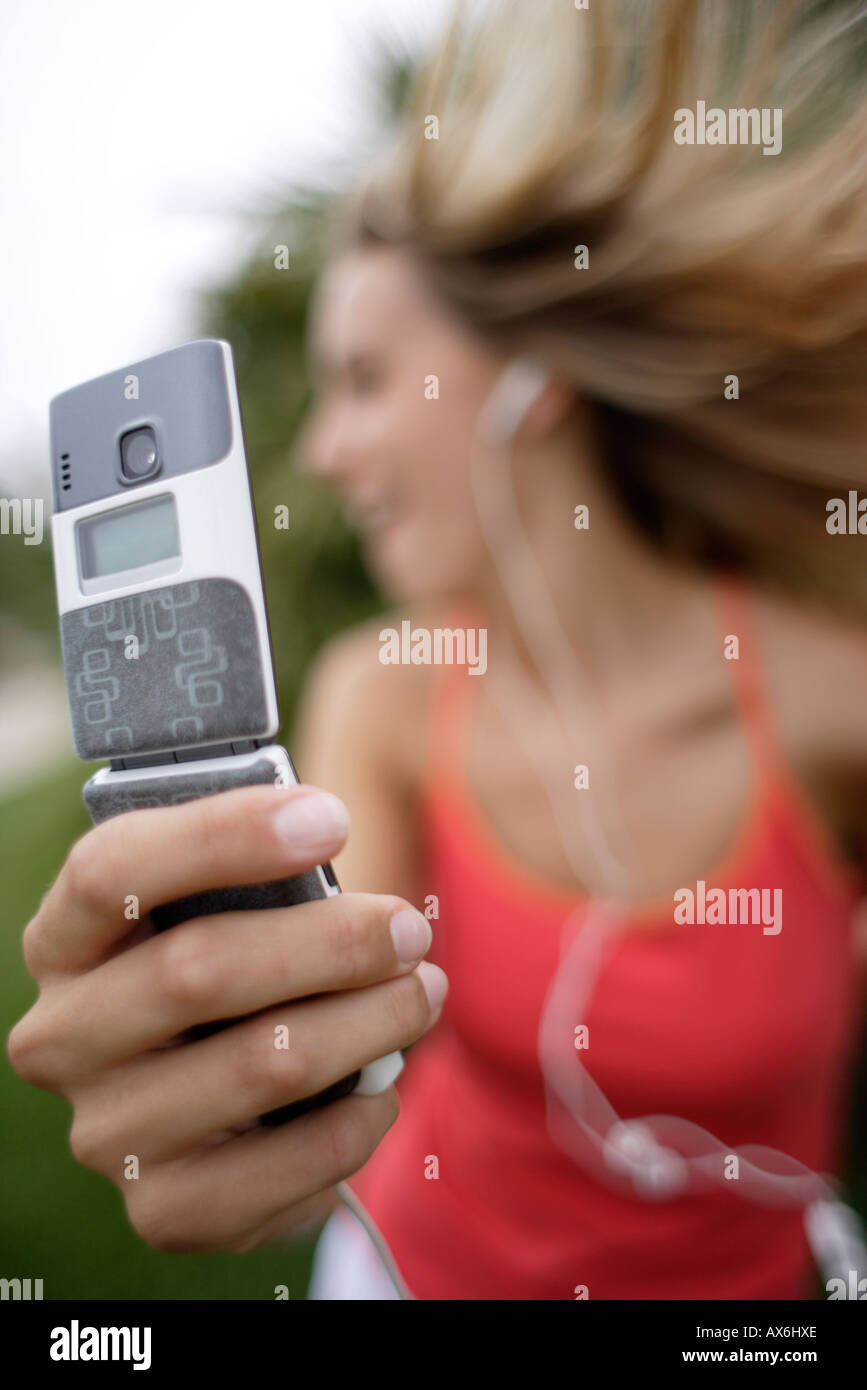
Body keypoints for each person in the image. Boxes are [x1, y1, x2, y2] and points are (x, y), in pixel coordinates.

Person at [8, 0, 867, 1300]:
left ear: (537, 376)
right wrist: (232, 1094)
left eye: (363, 379)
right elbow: (315, 1047)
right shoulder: (383, 695)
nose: (320, 450)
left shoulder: (830, 699)